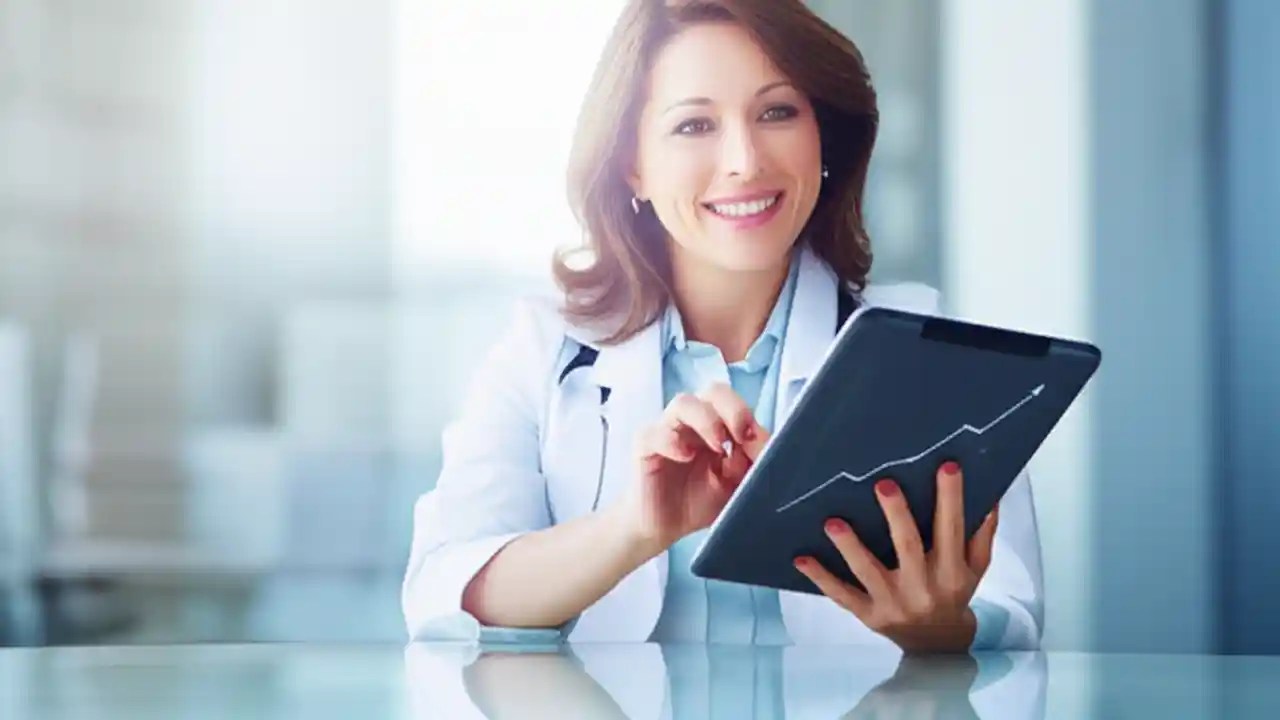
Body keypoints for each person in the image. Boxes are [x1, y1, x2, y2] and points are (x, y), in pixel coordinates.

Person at [402, 0, 1043, 654]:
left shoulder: (928, 351)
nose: (744, 160)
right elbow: (443, 590)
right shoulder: (542, 349)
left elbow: (1011, 611)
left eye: (777, 112)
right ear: (632, 165)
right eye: (694, 125)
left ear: (823, 135)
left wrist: (942, 632)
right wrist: (633, 529)